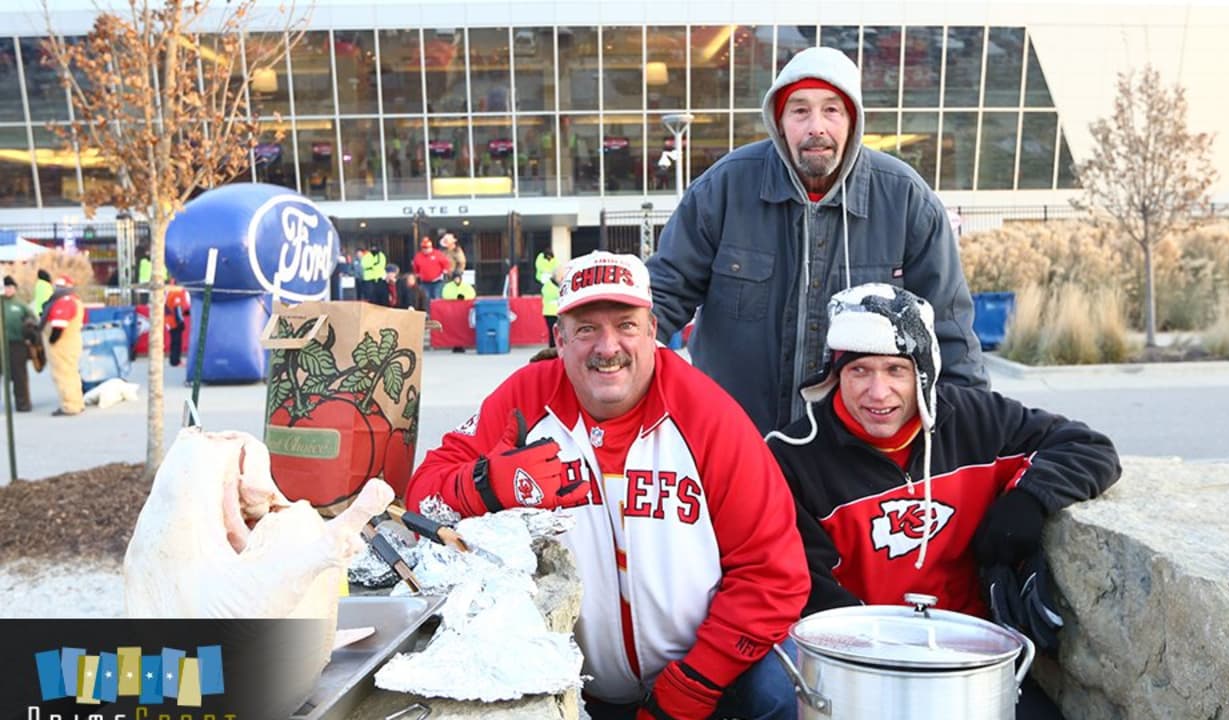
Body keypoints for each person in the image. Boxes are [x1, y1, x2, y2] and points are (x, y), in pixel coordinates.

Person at [407, 251, 808, 720]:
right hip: (568, 683)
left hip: (706, 680)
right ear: (559, 339)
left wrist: (693, 686)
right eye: (586, 329)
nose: (607, 346)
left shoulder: (706, 414)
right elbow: (421, 504)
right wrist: (483, 486)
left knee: (777, 690)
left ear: (653, 331)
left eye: (626, 325)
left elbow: (774, 574)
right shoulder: (526, 397)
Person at [767, 283, 1122, 720]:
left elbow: (1089, 447)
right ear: (834, 374)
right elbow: (808, 594)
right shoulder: (790, 458)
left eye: (895, 370)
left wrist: (1028, 500)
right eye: (859, 371)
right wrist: (899, 667)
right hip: (862, 672)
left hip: (974, 663)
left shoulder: (975, 420)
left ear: (923, 372)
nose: (878, 393)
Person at [645, 46, 988, 435]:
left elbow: (949, 331)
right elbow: (661, 296)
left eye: (831, 110)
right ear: (779, 121)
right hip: (736, 440)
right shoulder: (723, 188)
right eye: (800, 110)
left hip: (856, 454)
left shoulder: (906, 199)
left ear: (852, 120)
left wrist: (971, 437)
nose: (816, 128)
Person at [41, 275, 85, 416]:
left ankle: (69, 405)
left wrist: (53, 340)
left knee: (62, 374)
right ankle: (77, 402)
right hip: (72, 342)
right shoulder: (75, 300)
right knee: (72, 373)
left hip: (62, 345)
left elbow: (59, 325)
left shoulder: (64, 302)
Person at [2, 275, 35, 412]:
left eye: (10, 287)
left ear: (15, 289)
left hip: (17, 344)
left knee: (19, 375)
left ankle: (22, 403)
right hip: (1, 344)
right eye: (6, 287)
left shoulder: (20, 304)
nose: (8, 290)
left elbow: (32, 320)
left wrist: (29, 330)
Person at [163, 278, 191, 367]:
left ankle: (174, 360)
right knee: (176, 342)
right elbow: (177, 309)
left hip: (169, 319)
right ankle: (175, 361)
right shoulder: (177, 292)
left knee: (174, 341)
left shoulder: (170, 292)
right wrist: (180, 322)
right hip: (174, 321)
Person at [539, 265, 559, 348]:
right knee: (553, 333)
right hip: (550, 312)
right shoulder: (548, 286)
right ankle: (552, 349)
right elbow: (554, 295)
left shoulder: (556, 285)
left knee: (557, 333)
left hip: (556, 312)